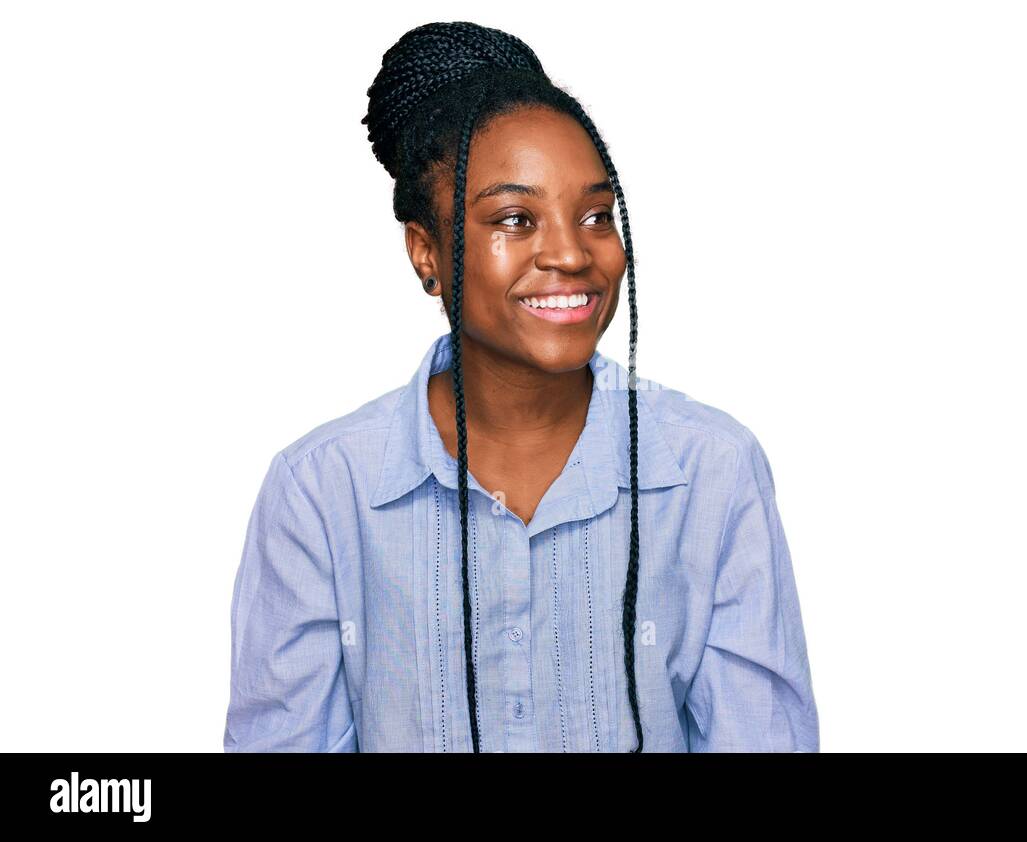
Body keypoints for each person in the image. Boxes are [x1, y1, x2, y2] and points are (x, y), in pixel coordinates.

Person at [223, 20, 819, 752]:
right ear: (425, 251)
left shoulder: (712, 471)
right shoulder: (321, 492)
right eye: (516, 219)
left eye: (596, 215)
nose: (572, 252)